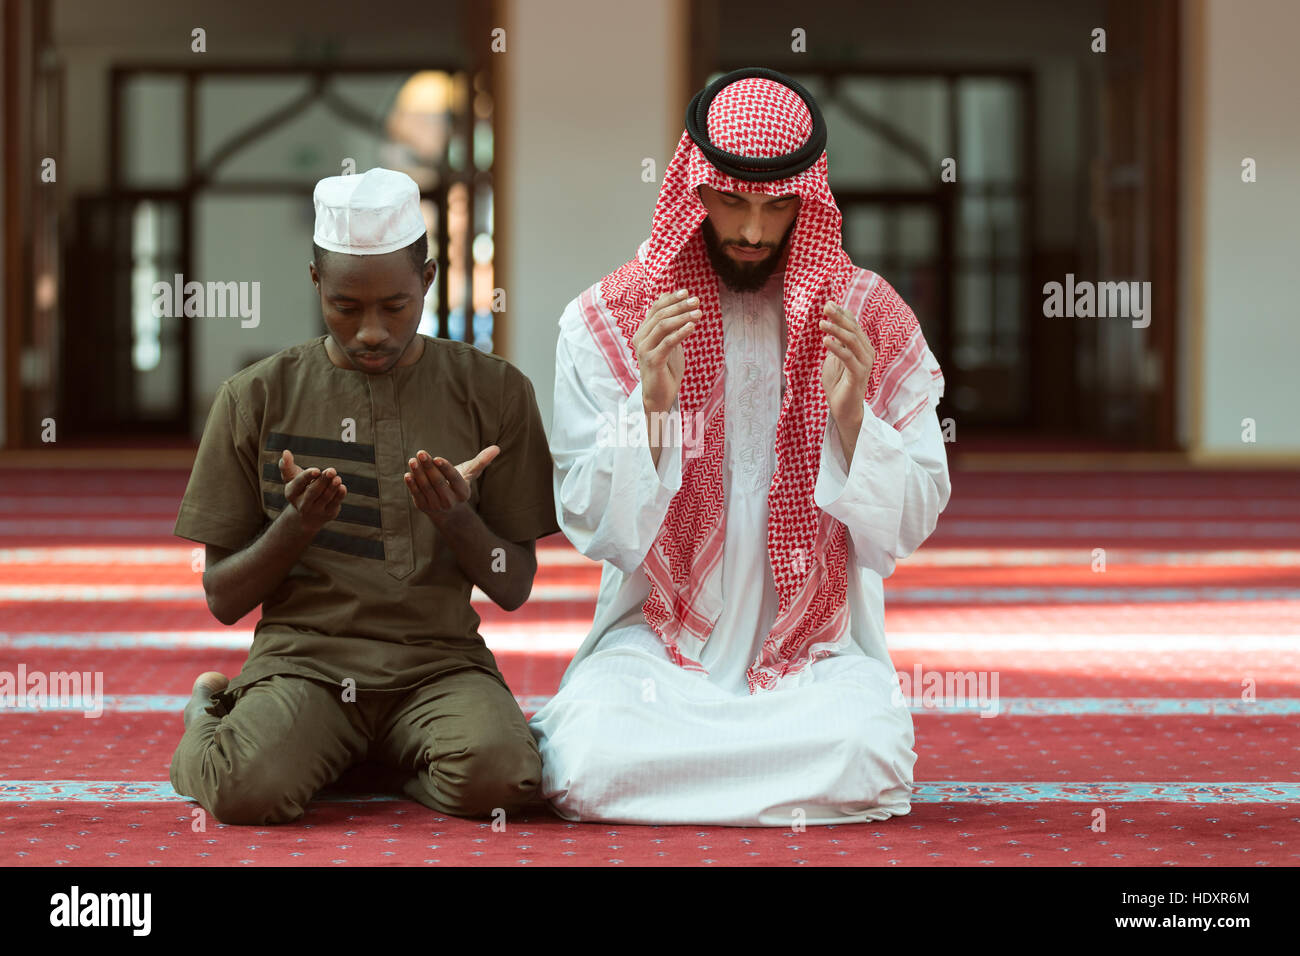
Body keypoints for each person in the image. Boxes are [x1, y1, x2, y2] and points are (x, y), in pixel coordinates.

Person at [530, 68, 951, 826]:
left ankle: (698, 781)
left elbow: (911, 521)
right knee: (591, 753)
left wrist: (852, 418)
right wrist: (653, 405)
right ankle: (769, 784)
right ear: (694, 191)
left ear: (807, 201)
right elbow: (600, 529)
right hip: (656, 647)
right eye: (732, 202)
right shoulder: (610, 322)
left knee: (864, 744)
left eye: (777, 206)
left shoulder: (868, 318)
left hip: (813, 656)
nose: (753, 232)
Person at [169, 167, 559, 825]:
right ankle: (211, 712)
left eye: (395, 307)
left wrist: (454, 515)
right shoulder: (255, 398)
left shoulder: (495, 392)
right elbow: (223, 598)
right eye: (346, 308)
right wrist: (296, 526)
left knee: (504, 779)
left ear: (428, 280)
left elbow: (514, 587)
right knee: (245, 790)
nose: (371, 331)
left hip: (438, 667)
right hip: (305, 666)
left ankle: (366, 756)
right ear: (317, 282)